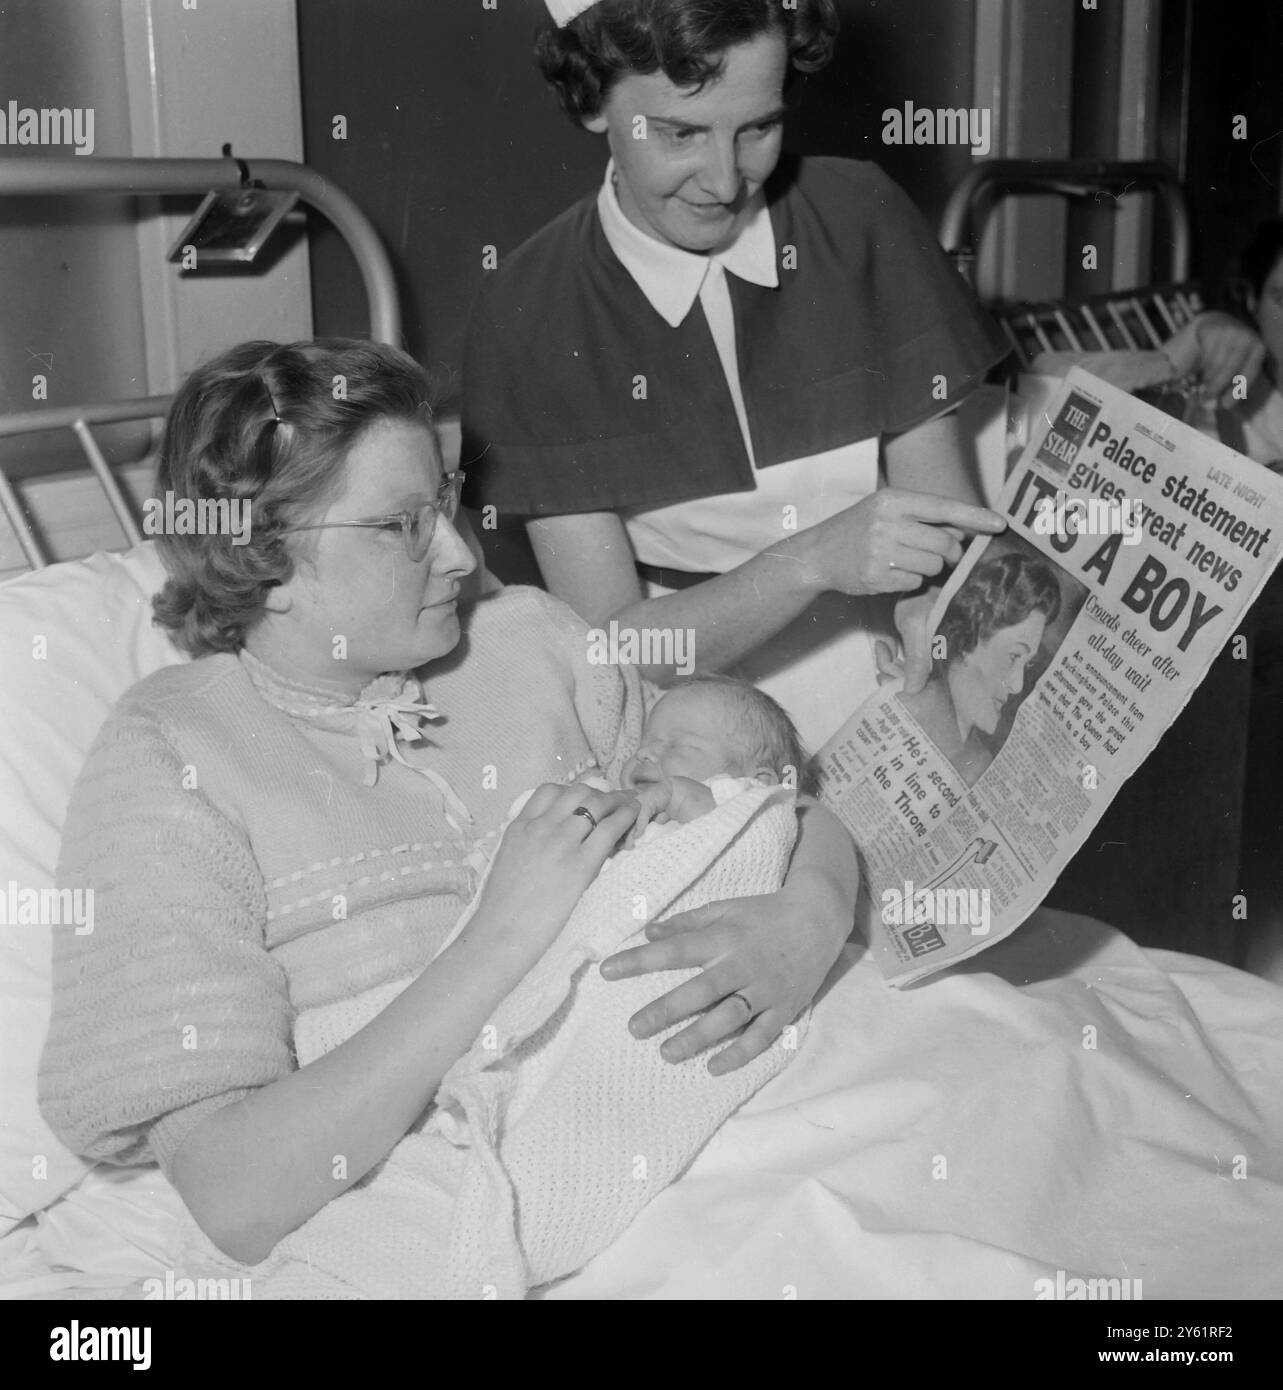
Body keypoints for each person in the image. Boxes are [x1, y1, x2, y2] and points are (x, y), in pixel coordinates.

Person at [38, 339, 859, 1270]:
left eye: (447, 499)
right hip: (494, 1200)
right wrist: (502, 936)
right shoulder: (174, 754)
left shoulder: (534, 643)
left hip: (739, 1102)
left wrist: (811, 913)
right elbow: (236, 1192)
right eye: (399, 526)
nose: (463, 553)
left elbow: (758, 799)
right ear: (260, 554)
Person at [462, 0, 1009, 752]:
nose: (724, 181)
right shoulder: (531, 310)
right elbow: (620, 653)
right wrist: (809, 561)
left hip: (891, 656)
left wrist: (943, 610)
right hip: (687, 700)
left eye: (757, 128)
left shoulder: (862, 217)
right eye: (681, 133)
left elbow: (946, 512)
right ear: (593, 101)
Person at [896, 551, 1061, 788]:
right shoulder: (909, 710)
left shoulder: (981, 761)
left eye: (1027, 663)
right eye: (1014, 656)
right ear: (971, 636)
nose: (1017, 685)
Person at [619, 674, 811, 842]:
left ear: (755, 784)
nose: (643, 753)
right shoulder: (611, 806)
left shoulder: (748, 833)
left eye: (676, 745)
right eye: (643, 743)